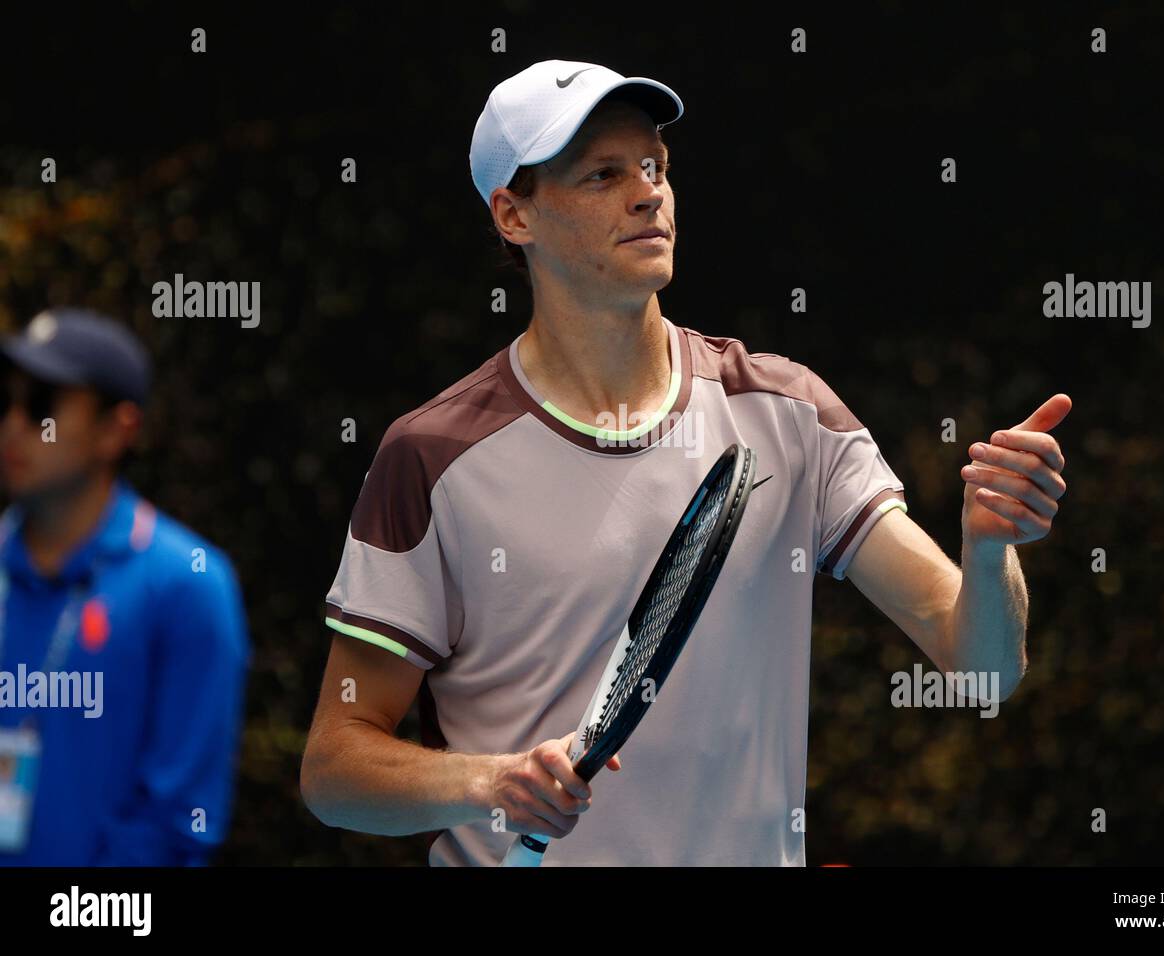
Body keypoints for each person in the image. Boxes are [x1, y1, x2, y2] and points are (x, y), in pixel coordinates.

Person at [302, 59, 1069, 865]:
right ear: (513, 215)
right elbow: (334, 770)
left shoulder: (789, 413)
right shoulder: (430, 458)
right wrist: (491, 782)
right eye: (602, 174)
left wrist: (989, 552)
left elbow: (984, 671)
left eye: (655, 167)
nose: (647, 193)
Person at [0, 307, 250, 866]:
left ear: (118, 428)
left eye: (43, 404)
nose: (15, 422)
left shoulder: (189, 584)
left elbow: (178, 824)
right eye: (7, 402)